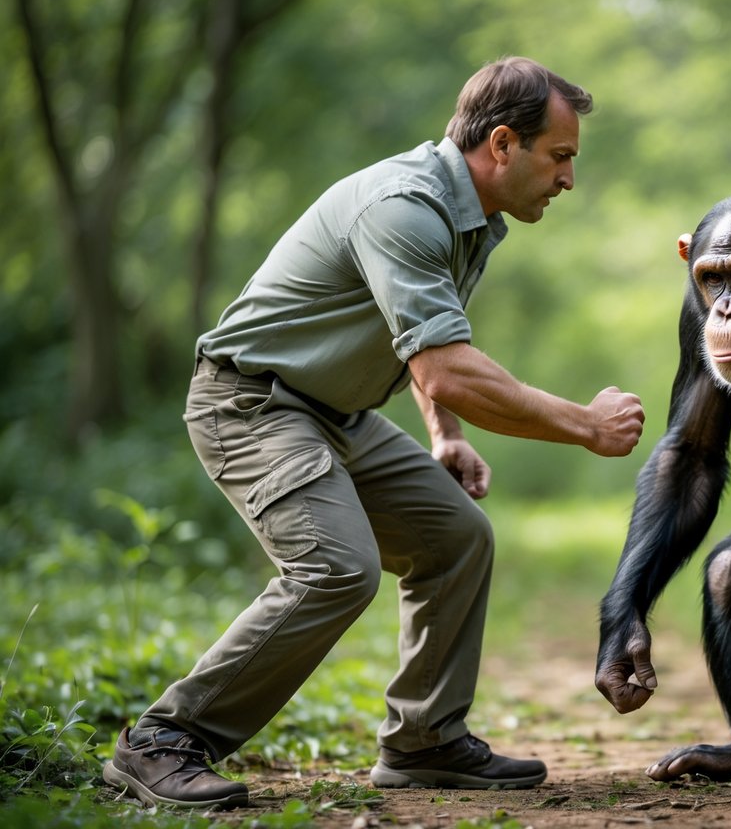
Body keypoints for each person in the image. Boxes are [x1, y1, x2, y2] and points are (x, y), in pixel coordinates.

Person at [102, 56, 645, 810]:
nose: (567, 179)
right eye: (559, 157)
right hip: (250, 403)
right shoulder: (403, 207)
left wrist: (443, 434)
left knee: (456, 538)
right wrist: (584, 425)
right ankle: (163, 741)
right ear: (500, 144)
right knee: (336, 565)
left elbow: (427, 348)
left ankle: (424, 740)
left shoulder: (471, 217)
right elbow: (450, 367)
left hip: (334, 413)